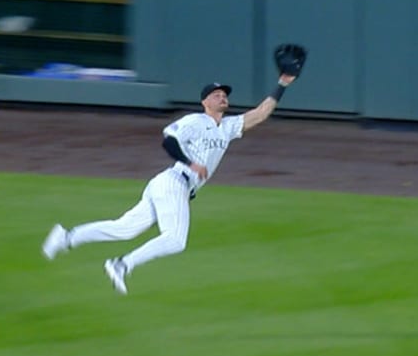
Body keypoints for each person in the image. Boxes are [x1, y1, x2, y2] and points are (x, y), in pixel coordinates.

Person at [41, 70, 299, 294]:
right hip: (173, 182)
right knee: (175, 240)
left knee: (125, 228)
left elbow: (261, 113)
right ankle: (122, 264)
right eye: (216, 94)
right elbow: (169, 141)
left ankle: (66, 237)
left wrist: (282, 84)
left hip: (171, 185)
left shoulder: (229, 127)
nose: (222, 97)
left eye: (224, 94)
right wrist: (190, 163)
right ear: (205, 102)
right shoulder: (195, 121)